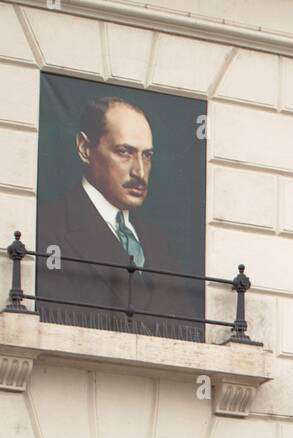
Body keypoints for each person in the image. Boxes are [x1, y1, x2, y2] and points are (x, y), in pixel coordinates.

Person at [35, 95, 204, 340]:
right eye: (124, 152)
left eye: (147, 156)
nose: (140, 171)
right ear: (84, 148)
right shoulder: (49, 227)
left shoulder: (159, 243)